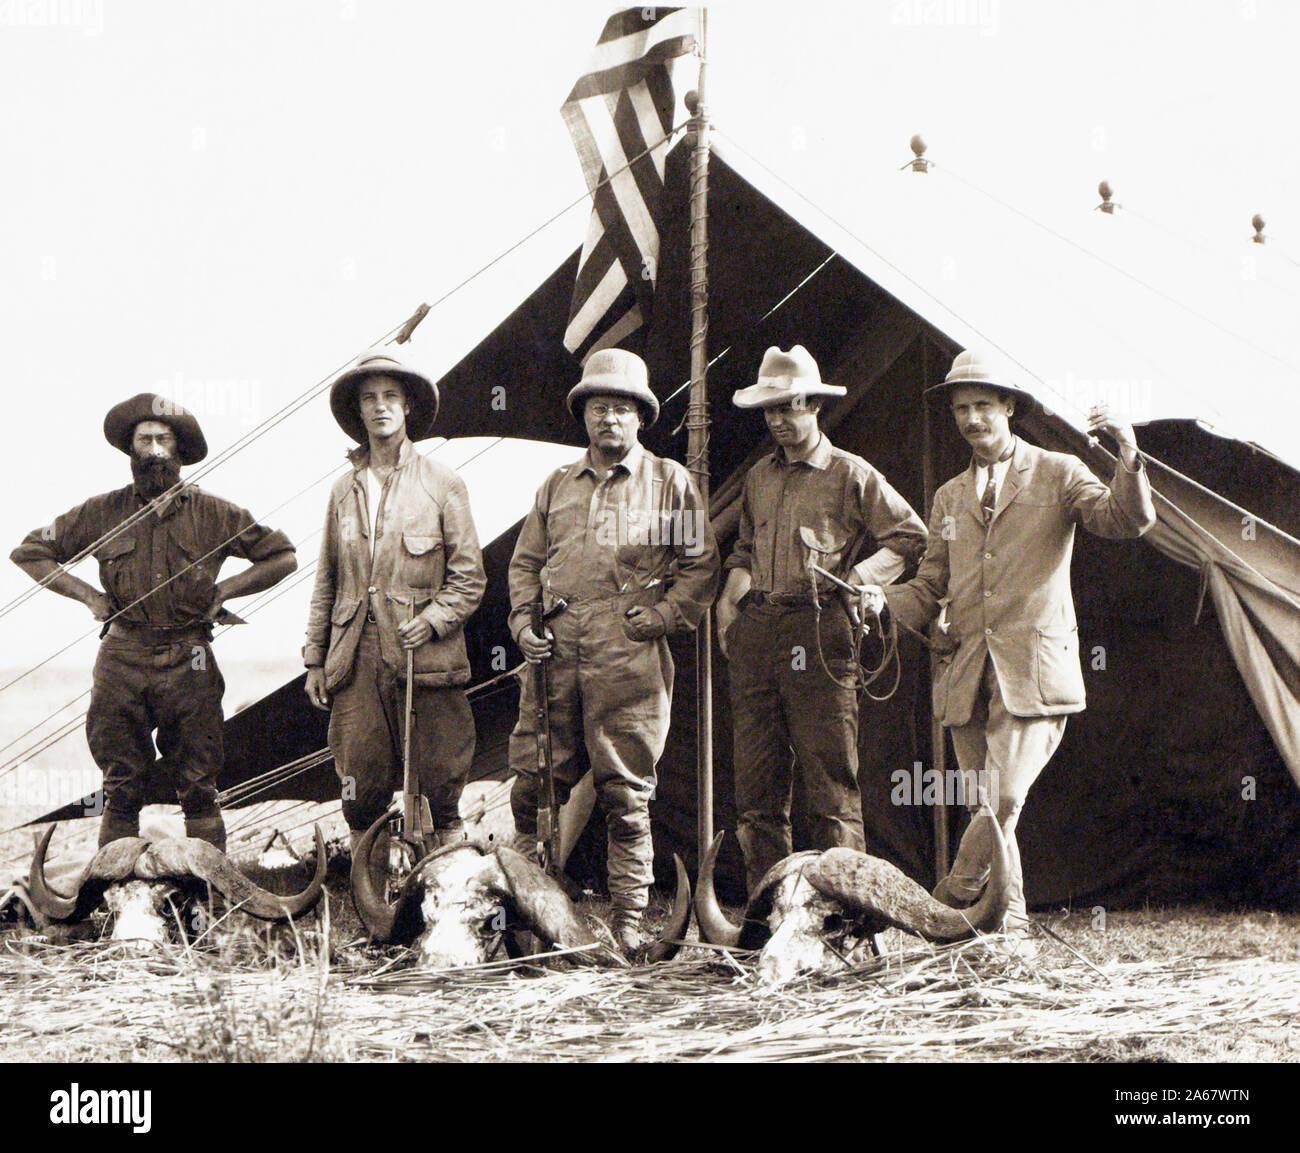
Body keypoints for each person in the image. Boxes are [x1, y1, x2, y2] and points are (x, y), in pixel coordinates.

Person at [864, 348, 1156, 944]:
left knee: (1001, 799)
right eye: (961, 409)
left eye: (983, 407)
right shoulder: (948, 497)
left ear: (1010, 408)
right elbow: (931, 583)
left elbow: (1125, 520)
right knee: (989, 811)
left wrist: (1128, 454)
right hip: (965, 673)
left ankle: (933, 915)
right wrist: (881, 602)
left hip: (1034, 671)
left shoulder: (1059, 470)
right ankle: (1011, 927)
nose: (972, 419)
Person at [11, 394, 297, 849]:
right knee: (120, 788)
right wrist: (88, 595)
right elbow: (31, 552)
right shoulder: (99, 512)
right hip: (121, 657)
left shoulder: (218, 513)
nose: (155, 448)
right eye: (145, 440)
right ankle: (117, 899)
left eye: (165, 439)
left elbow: (282, 556)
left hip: (193, 658)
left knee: (200, 785)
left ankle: (210, 898)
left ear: (181, 452)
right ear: (130, 452)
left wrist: (224, 591)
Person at [507, 348, 719, 955]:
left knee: (626, 795)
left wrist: (662, 616)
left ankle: (629, 922)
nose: (609, 419)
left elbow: (700, 565)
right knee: (535, 788)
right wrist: (524, 625)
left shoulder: (668, 482)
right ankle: (528, 913)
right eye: (599, 407)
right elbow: (525, 564)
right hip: (554, 651)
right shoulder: (556, 487)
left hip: (628, 653)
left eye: (621, 408)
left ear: (640, 417)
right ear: (584, 416)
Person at [715, 345, 928, 895]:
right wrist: (729, 604)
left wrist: (860, 581)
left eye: (789, 408)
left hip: (820, 629)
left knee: (830, 783)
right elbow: (743, 547)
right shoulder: (760, 476)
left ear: (814, 407)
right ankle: (772, 911)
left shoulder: (850, 474)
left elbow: (910, 537)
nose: (778, 421)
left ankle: (845, 913)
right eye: (770, 410)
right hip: (758, 629)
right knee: (756, 788)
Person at [303, 350, 485, 857]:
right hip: (353, 658)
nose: (380, 407)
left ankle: (445, 884)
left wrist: (431, 621)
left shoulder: (444, 483)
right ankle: (373, 891)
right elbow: (327, 580)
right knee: (360, 782)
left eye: (389, 397)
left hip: (425, 656)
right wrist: (315, 658)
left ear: (407, 407)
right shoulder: (343, 490)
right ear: (358, 413)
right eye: (368, 399)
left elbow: (470, 578)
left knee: (440, 782)